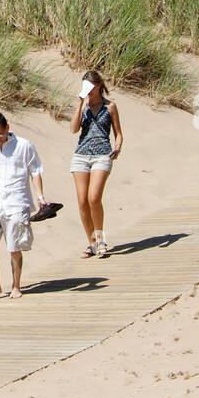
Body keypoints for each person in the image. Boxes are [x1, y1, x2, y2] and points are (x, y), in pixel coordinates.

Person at [0, 112, 46, 299]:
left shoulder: (24, 146)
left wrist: (40, 197)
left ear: (7, 128)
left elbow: (35, 172)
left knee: (14, 247)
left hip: (17, 201)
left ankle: (16, 285)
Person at [69, 70, 123, 258]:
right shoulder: (83, 106)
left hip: (102, 155)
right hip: (81, 156)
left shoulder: (110, 107)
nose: (89, 91)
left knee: (94, 198)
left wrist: (117, 148)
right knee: (82, 201)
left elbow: (118, 132)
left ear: (99, 86)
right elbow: (73, 129)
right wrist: (79, 105)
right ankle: (91, 243)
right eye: (86, 87)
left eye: (91, 87)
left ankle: (100, 239)